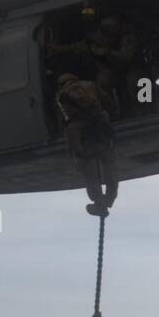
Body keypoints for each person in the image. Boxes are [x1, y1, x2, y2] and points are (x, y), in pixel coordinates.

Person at [56, 71, 118, 216]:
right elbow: (107, 101)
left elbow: (63, 118)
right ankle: (109, 199)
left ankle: (98, 202)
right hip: (101, 129)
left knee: (89, 172)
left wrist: (75, 150)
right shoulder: (92, 85)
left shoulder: (62, 95)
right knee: (110, 169)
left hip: (83, 135)